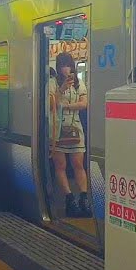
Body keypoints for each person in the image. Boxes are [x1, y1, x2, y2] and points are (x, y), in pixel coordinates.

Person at [47, 52, 90, 217]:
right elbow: (51, 104)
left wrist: (66, 107)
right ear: (58, 67)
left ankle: (84, 198)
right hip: (56, 129)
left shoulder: (79, 83)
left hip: (75, 128)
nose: (66, 68)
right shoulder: (52, 83)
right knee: (61, 165)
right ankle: (69, 198)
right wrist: (62, 89)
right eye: (63, 65)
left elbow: (84, 104)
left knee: (78, 164)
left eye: (68, 65)